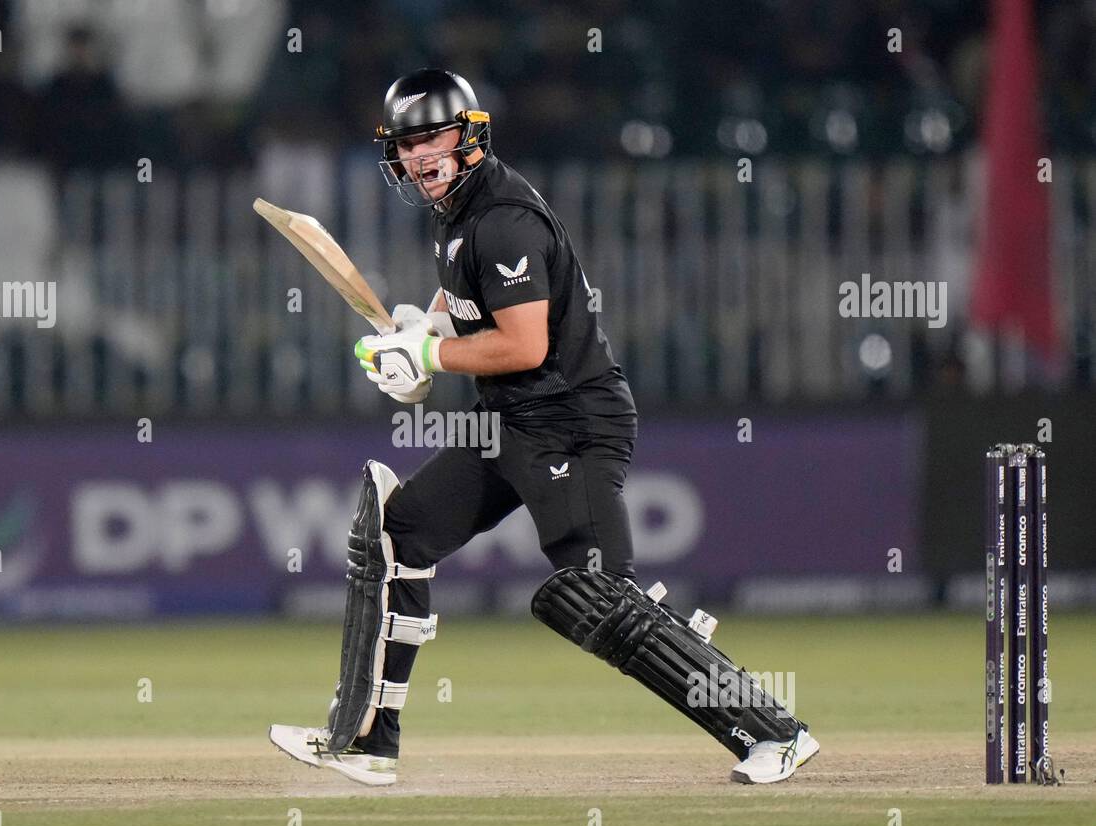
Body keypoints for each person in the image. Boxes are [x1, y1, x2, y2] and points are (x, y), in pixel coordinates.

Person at [269, 69, 818, 786]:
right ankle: (368, 741)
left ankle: (774, 731)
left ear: (470, 135)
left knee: (599, 596)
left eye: (433, 137)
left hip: (570, 421)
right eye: (406, 143)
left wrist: (430, 356)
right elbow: (466, 299)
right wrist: (423, 328)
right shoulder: (456, 210)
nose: (420, 155)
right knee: (397, 535)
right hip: (507, 420)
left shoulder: (503, 218)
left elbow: (524, 346)